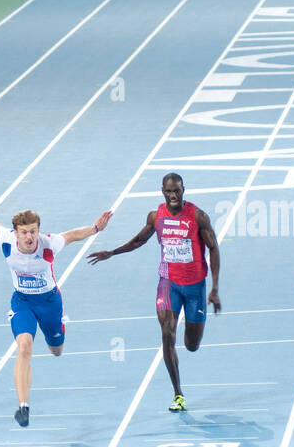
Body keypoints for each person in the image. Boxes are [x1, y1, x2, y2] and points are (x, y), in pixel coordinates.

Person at [88, 174, 221, 413]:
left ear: (183, 190)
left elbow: (213, 248)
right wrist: (112, 253)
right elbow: (140, 240)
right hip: (168, 283)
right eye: (169, 192)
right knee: (167, 332)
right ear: (162, 191)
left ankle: (191, 339)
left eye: (177, 191)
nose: (173, 196)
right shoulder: (155, 216)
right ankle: (178, 393)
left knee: (192, 345)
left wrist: (214, 288)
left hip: (195, 288)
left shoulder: (198, 217)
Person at [0, 208, 112, 426]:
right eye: (25, 232)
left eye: (33, 232)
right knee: (24, 347)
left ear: (38, 231)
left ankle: (58, 330)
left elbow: (72, 235)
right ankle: (23, 407)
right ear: (16, 233)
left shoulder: (48, 244)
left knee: (56, 351)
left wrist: (95, 228)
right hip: (22, 302)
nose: (29, 237)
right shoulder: (7, 241)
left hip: (49, 303)